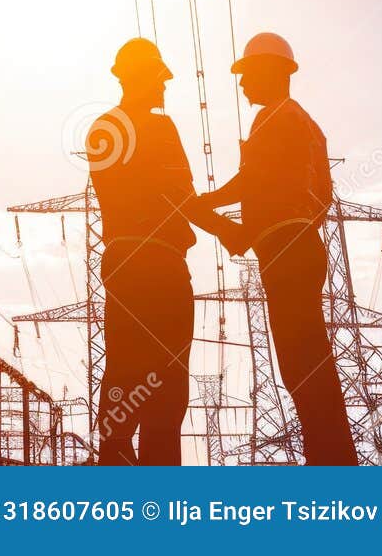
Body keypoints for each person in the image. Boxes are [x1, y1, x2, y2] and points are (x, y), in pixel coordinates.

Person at [206, 32, 358, 466]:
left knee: (300, 363)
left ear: (272, 73)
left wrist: (203, 202)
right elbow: (323, 196)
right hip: (302, 246)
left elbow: (250, 181)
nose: (241, 85)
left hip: (286, 250)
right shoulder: (308, 125)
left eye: (247, 74)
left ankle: (330, 463)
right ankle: (331, 455)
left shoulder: (272, 118)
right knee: (311, 358)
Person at [86, 37, 238, 466]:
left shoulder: (103, 128)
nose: (164, 88)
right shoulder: (159, 127)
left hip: (121, 264)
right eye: (160, 80)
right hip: (160, 264)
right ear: (145, 79)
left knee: (123, 365)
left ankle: (113, 463)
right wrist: (229, 231)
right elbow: (179, 197)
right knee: (167, 379)